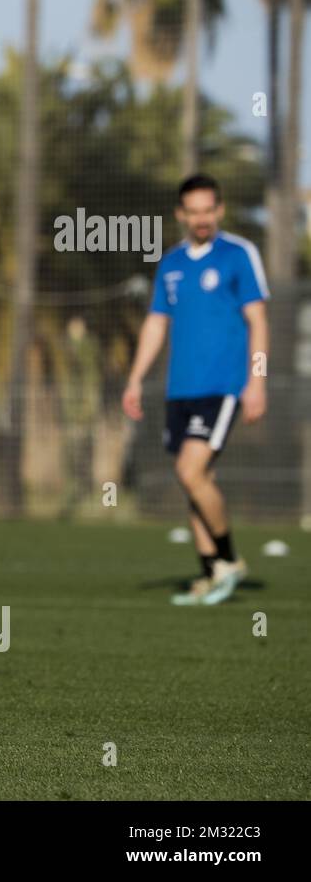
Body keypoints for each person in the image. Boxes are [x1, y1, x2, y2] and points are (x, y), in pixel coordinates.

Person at [122, 174, 269, 605]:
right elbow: (156, 323)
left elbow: (258, 321)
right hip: (179, 390)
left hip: (222, 386)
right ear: (181, 214)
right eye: (194, 212)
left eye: (209, 210)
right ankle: (211, 575)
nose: (202, 219)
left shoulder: (238, 255)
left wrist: (257, 381)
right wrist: (135, 378)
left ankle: (229, 559)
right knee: (196, 481)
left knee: (190, 470)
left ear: (219, 210)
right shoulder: (171, 264)